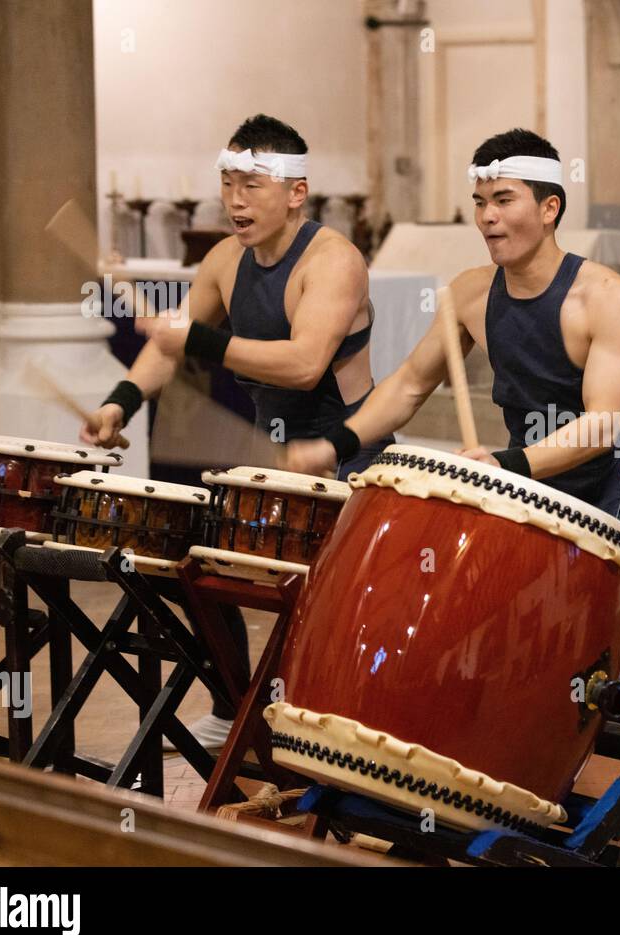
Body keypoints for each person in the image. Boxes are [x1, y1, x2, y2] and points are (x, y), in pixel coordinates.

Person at [285, 128, 620, 866]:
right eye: (478, 202)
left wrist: (509, 459)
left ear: (550, 207)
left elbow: (604, 424)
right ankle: (472, 783)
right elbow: (402, 388)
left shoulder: (607, 297)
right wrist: (334, 443)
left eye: (504, 200)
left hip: (607, 503)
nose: (488, 216)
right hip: (521, 509)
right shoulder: (468, 293)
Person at [82, 113, 391, 748]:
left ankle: (333, 731)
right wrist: (119, 403)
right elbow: (166, 350)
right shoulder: (225, 259)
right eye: (227, 182)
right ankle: (233, 702)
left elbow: (305, 365)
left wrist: (196, 337)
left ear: (295, 192)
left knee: (328, 611)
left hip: (345, 460)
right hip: (269, 460)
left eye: (251, 184)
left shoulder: (335, 261)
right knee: (191, 563)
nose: (234, 200)